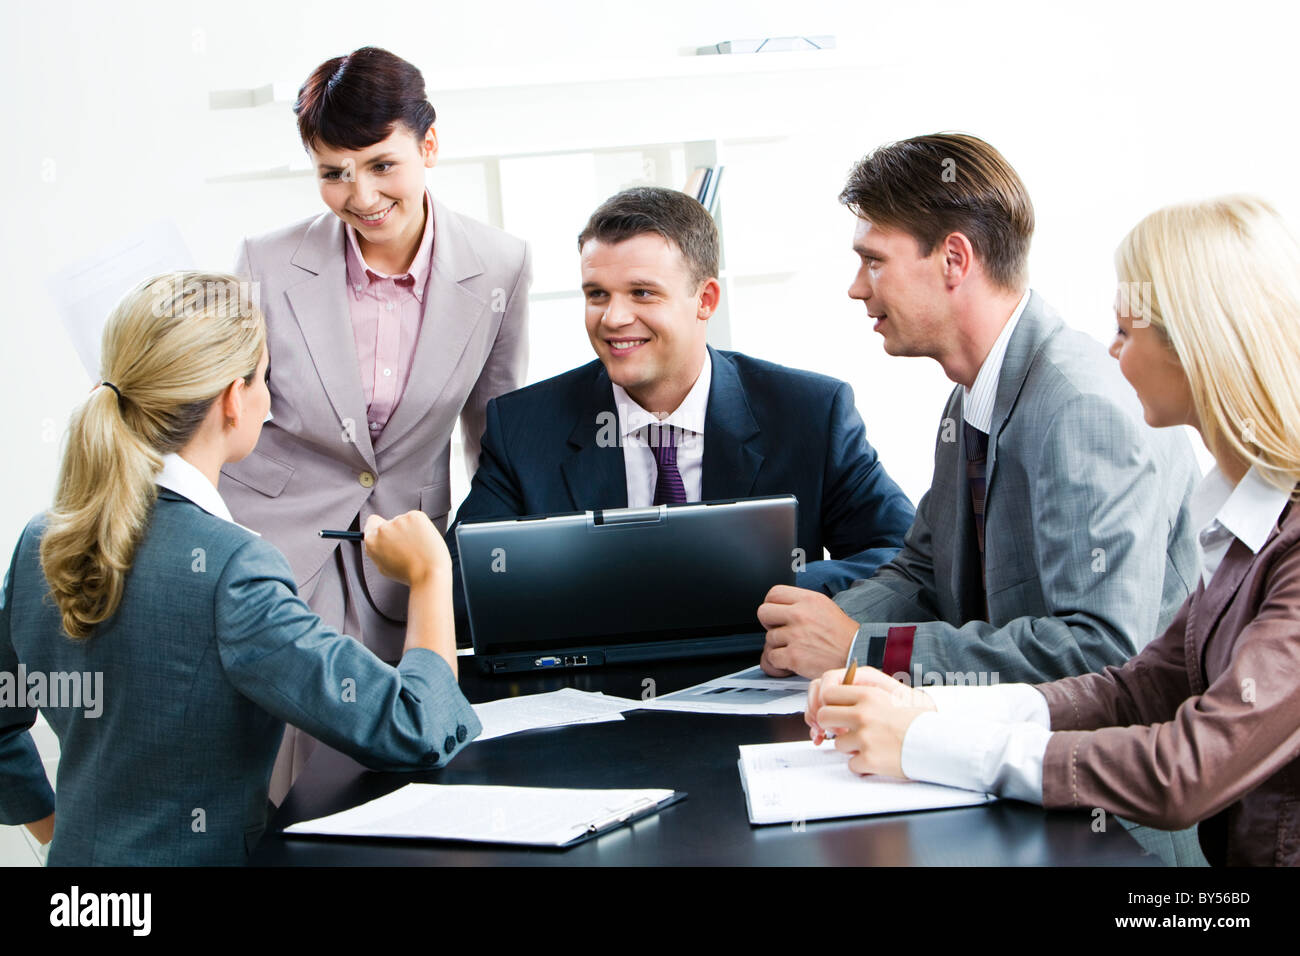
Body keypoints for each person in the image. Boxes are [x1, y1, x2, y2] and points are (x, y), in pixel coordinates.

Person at [805, 195, 1300, 867]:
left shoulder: (1284, 544)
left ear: (1198, 346)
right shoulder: (1246, 528)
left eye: (1128, 329)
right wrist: (920, 707)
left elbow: (1186, 769)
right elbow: (1135, 687)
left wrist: (927, 742)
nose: (1112, 351)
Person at [0, 273, 478, 866]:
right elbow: (416, 727)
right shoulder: (232, 571)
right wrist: (431, 573)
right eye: (265, 379)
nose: (270, 400)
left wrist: (63, 836)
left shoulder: (38, 541)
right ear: (233, 398)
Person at [760, 133, 1199, 686]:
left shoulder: (1081, 409)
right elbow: (924, 572)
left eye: (873, 261)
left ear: (953, 260)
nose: (855, 288)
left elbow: (1099, 650)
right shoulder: (971, 396)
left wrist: (860, 647)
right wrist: (812, 629)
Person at [217, 47, 529, 798]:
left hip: (403, 559)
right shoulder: (265, 262)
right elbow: (219, 409)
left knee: (403, 767)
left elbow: (494, 439)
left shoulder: (499, 265)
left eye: (380, 164)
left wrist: (478, 571)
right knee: (276, 781)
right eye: (333, 172)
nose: (360, 195)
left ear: (428, 145)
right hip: (275, 547)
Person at [445, 186, 915, 641]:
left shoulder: (810, 412)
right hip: (591, 695)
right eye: (597, 294)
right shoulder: (524, 427)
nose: (612, 318)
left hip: (757, 676)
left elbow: (903, 559)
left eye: (642, 293)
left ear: (705, 300)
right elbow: (459, 594)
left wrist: (768, 587)